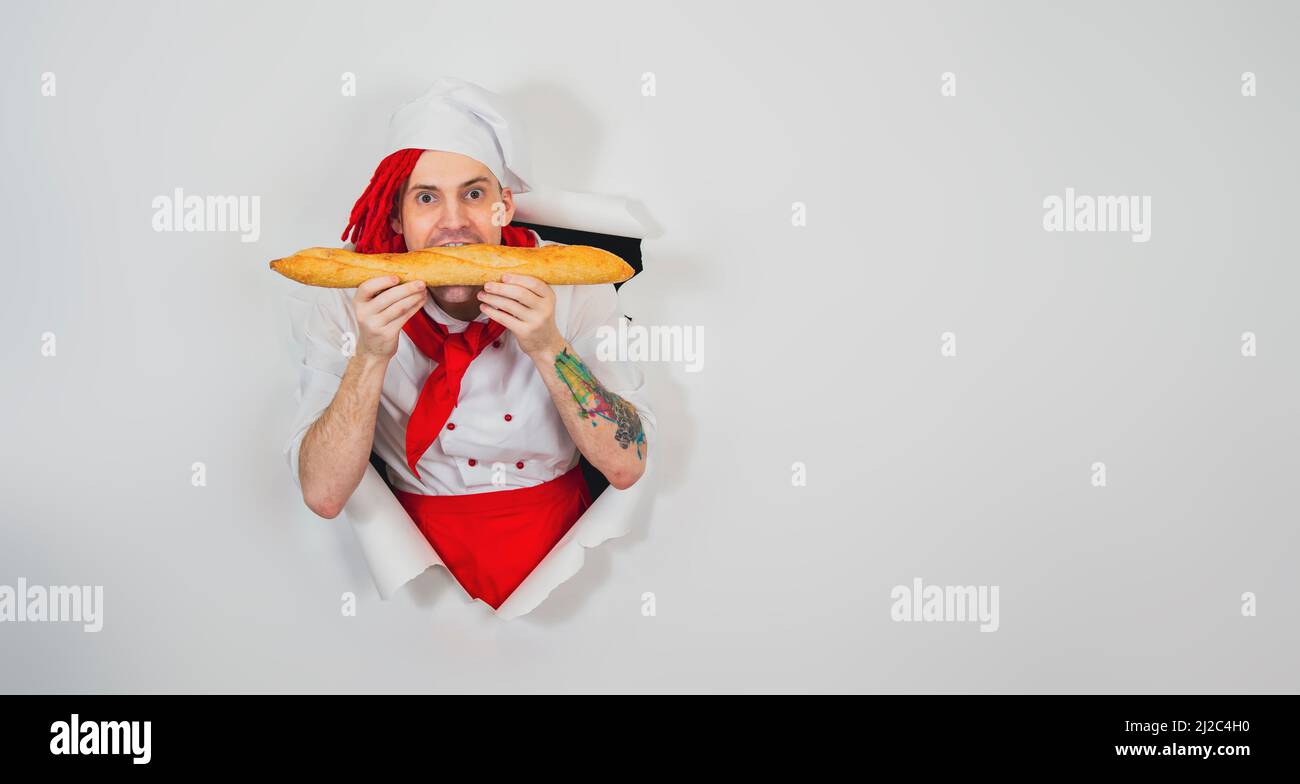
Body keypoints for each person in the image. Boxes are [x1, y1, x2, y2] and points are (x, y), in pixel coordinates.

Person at [283, 77, 653, 610]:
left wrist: (549, 347)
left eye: (474, 195)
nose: (454, 224)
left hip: (568, 555)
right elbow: (322, 494)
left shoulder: (576, 287)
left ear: (504, 206)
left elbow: (627, 465)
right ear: (395, 215)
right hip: (416, 564)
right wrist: (370, 356)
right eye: (426, 198)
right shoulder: (345, 302)